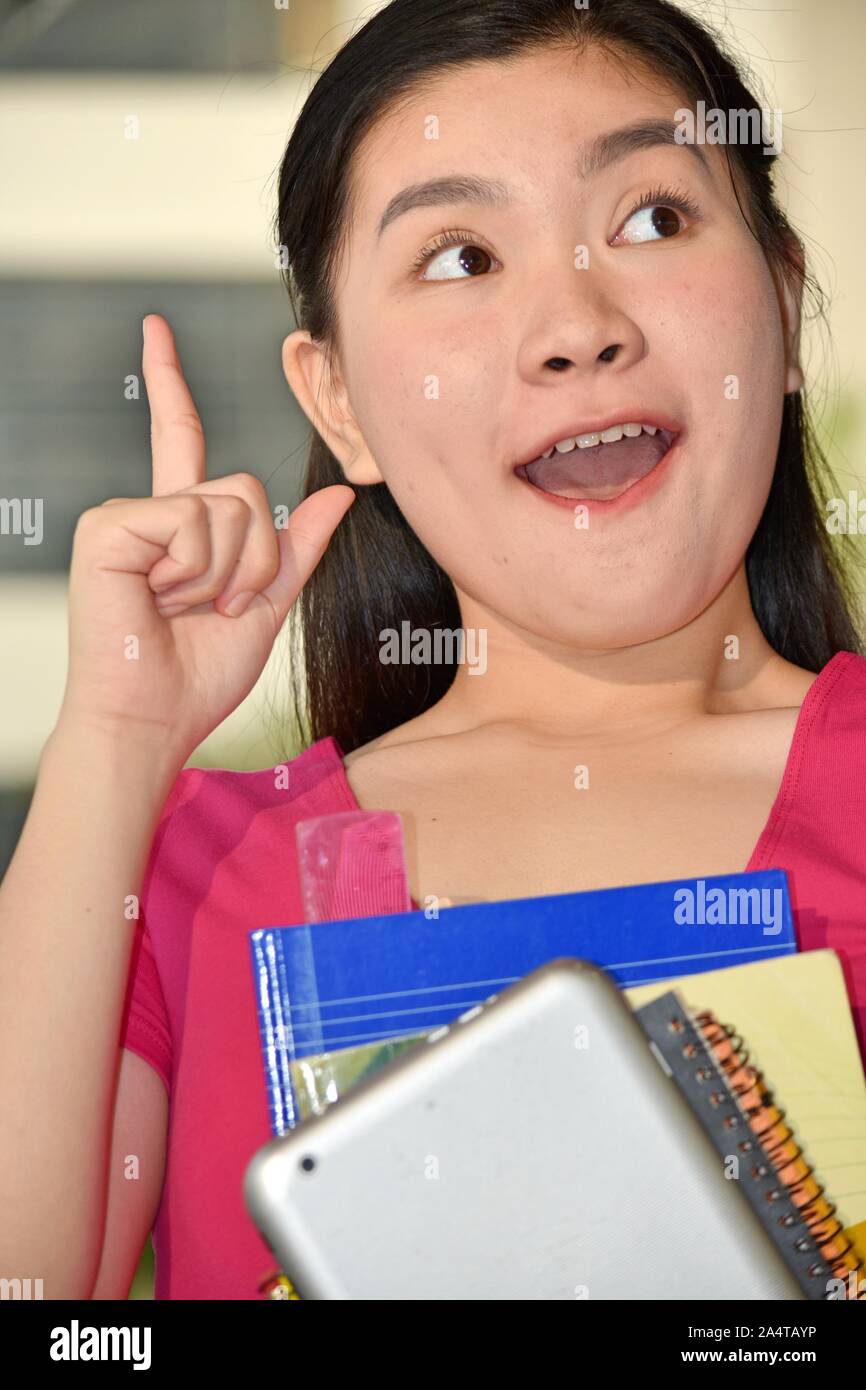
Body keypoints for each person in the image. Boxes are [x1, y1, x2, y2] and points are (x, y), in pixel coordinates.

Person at [1, 0, 864, 1301]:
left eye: (651, 218)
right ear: (337, 401)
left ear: (783, 298)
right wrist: (114, 741)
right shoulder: (179, 868)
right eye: (460, 256)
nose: (575, 322)